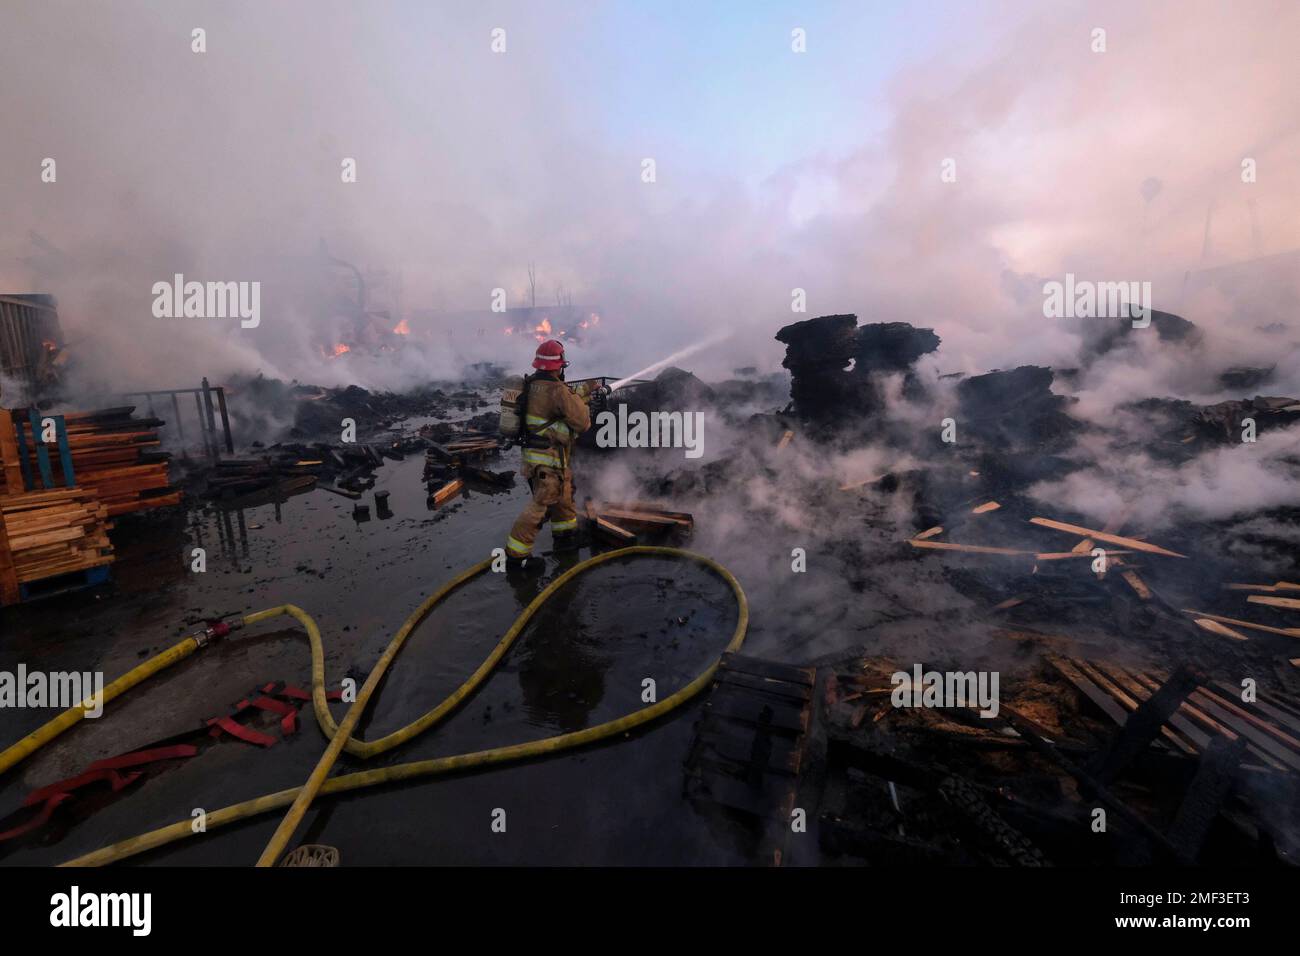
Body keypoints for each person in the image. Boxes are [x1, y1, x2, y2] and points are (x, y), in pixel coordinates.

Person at [505, 339, 598, 570]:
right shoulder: (557, 391)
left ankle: (565, 537)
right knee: (540, 506)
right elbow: (582, 422)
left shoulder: (531, 383)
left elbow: (565, 397)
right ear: (560, 366)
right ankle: (516, 557)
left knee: (563, 496)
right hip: (548, 459)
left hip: (537, 457)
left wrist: (587, 388)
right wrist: (586, 403)